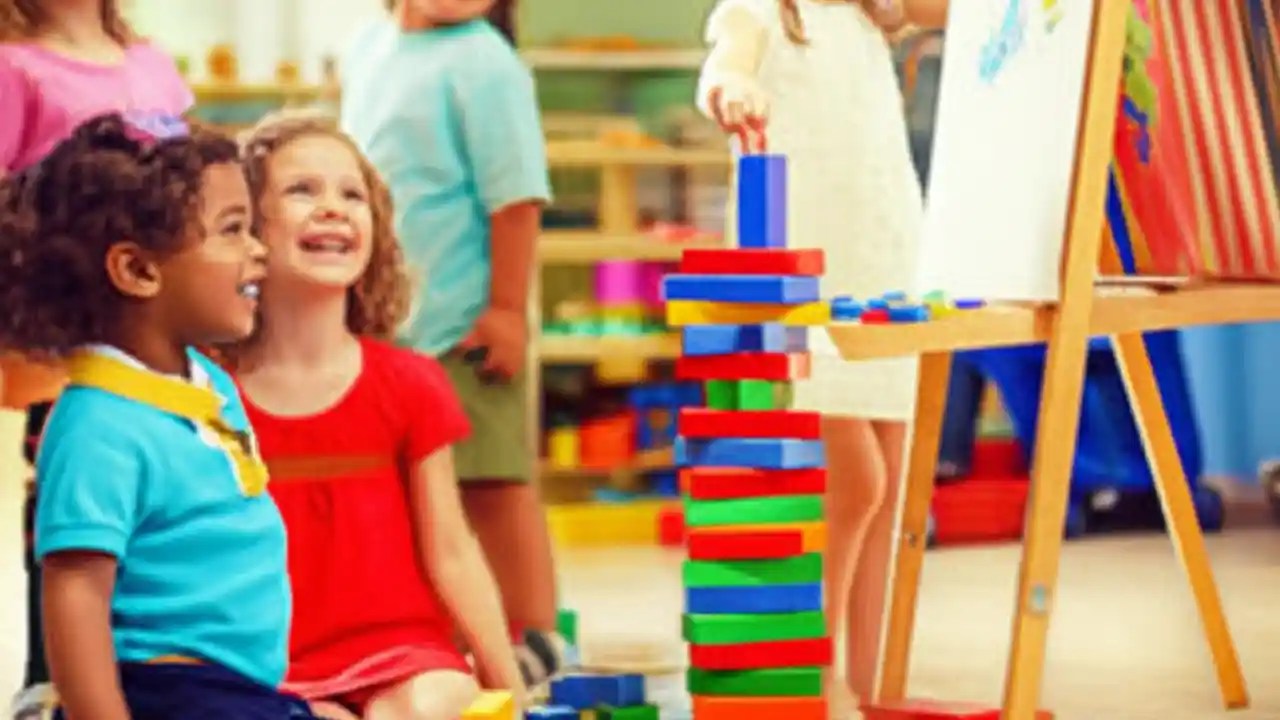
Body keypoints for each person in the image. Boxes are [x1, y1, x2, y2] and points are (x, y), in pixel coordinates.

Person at [0, 112, 317, 720]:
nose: (257, 251)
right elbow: (75, 594)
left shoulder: (206, 382)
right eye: (232, 230)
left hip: (239, 692)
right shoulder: (98, 425)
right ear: (139, 271)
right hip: (169, 696)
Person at [227, 111, 526, 720]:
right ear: (249, 227)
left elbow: (452, 551)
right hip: (274, 665)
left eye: (351, 194)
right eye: (301, 190)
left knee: (429, 707)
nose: (332, 207)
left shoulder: (409, 381)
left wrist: (513, 690)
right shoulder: (214, 394)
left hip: (406, 654)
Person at [695, 0, 948, 714]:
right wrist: (729, 88)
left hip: (886, 268)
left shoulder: (874, 17)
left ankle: (872, 682)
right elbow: (724, 61)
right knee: (852, 480)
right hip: (806, 282)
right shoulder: (761, 11)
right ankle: (815, 671)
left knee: (891, 486)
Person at [338, 0, 567, 687]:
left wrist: (504, 309)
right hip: (387, 326)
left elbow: (517, 198)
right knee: (412, 494)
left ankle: (538, 634)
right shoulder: (371, 46)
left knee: (492, 482)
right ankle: (442, 631)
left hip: (461, 327)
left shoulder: (483, 61)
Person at [0, 4, 193, 715]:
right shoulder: (13, 67)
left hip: (161, 334)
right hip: (66, 339)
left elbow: (193, 187)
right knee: (73, 509)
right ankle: (52, 677)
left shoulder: (148, 59)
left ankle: (150, 667)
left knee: (161, 503)